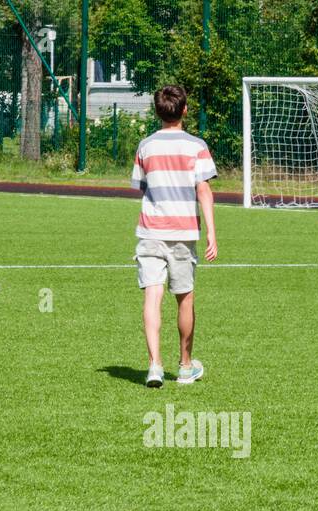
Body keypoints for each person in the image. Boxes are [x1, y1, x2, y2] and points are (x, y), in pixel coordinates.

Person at [131, 84, 219, 388]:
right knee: (185, 298)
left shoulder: (145, 145)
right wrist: (211, 232)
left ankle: (154, 365)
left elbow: (140, 186)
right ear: (184, 110)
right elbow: (203, 189)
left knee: (152, 297)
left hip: (151, 230)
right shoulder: (197, 145)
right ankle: (184, 366)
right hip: (184, 232)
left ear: (157, 112)